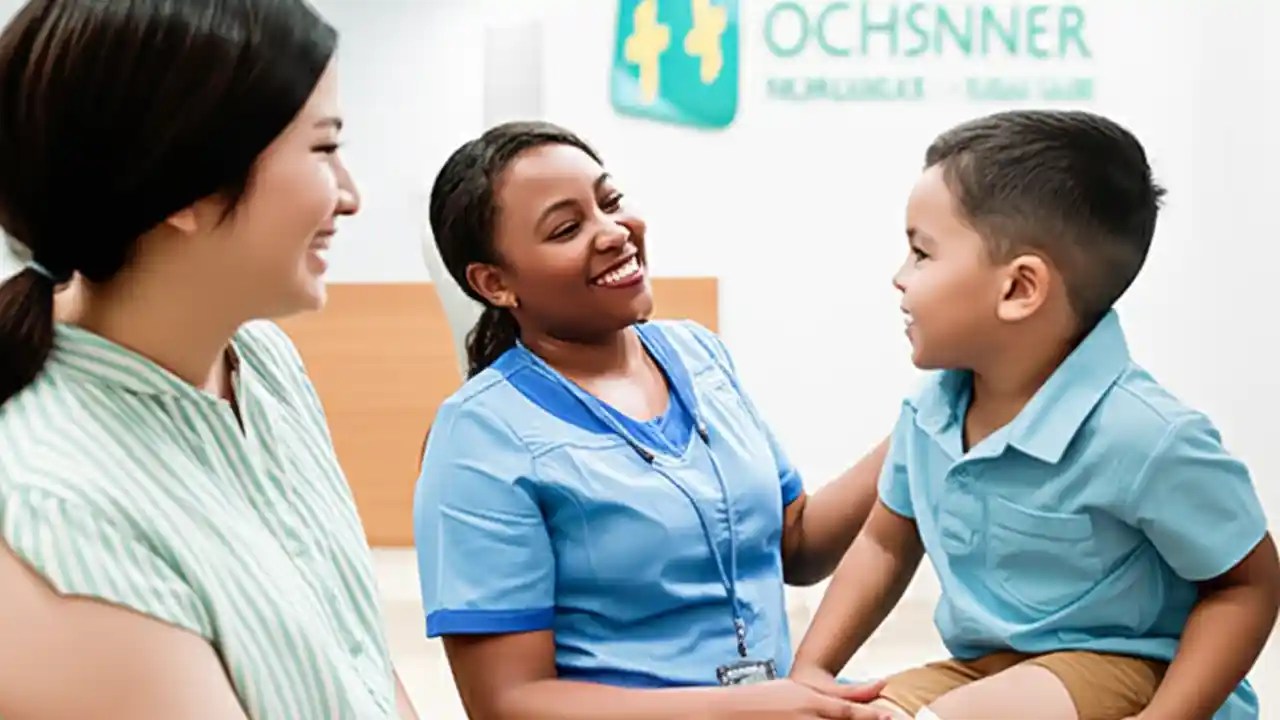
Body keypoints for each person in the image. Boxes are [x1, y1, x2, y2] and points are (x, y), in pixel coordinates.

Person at [0, 1, 418, 718]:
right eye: (323, 149)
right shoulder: (55, 514)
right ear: (186, 186)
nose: (350, 195)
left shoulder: (262, 362)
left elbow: (361, 666)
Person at [791, 110, 1279, 720]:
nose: (899, 277)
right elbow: (885, 545)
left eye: (920, 254)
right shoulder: (930, 413)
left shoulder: (1146, 435)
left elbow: (1247, 584)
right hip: (989, 668)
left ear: (1020, 289)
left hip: (1129, 666)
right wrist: (810, 672)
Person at [413, 120, 891, 719]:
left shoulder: (699, 354)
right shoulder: (478, 436)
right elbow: (509, 704)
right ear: (495, 283)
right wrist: (744, 711)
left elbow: (795, 543)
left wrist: (918, 434)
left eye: (610, 202)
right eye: (567, 228)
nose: (613, 231)